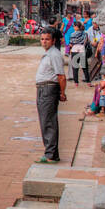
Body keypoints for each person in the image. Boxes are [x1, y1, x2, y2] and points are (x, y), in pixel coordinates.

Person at [35, 29, 67, 164]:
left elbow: (61, 76)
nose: (44, 42)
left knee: (48, 122)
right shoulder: (49, 54)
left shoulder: (54, 54)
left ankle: (50, 154)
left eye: (47, 39)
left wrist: (62, 92)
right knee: (46, 121)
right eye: (42, 39)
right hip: (43, 89)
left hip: (49, 89)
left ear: (53, 41)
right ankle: (52, 152)